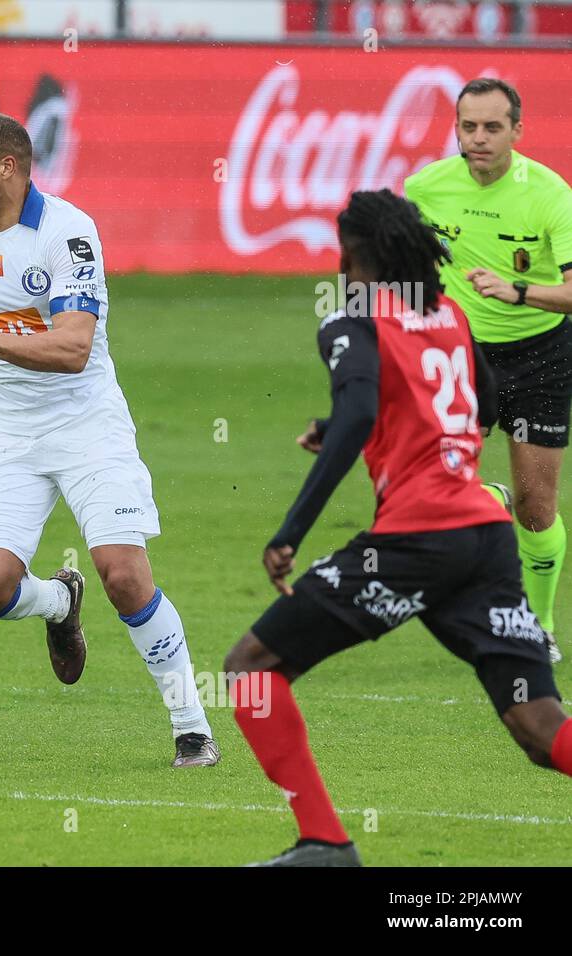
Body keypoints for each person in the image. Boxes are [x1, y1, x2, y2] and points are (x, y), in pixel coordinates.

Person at [224, 190, 569, 867]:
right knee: (537, 723)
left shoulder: (351, 322)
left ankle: (325, 843)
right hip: (485, 538)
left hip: (414, 543)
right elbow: (485, 402)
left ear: (353, 252)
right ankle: (323, 846)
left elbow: (356, 415)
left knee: (251, 669)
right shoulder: (452, 313)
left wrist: (292, 530)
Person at [0, 112, 219, 768]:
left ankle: (191, 726)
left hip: (86, 426)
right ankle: (59, 603)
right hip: (6, 434)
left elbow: (73, 348)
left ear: (7, 167)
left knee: (124, 574)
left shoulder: (68, 233)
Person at [405, 78, 572, 661]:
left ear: (517, 131)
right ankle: (482, 506)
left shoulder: (550, 195)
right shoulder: (425, 188)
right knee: (438, 489)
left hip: (541, 354)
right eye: (468, 126)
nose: (477, 139)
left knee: (536, 506)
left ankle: (539, 623)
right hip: (462, 356)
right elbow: (394, 263)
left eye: (492, 128)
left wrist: (517, 291)